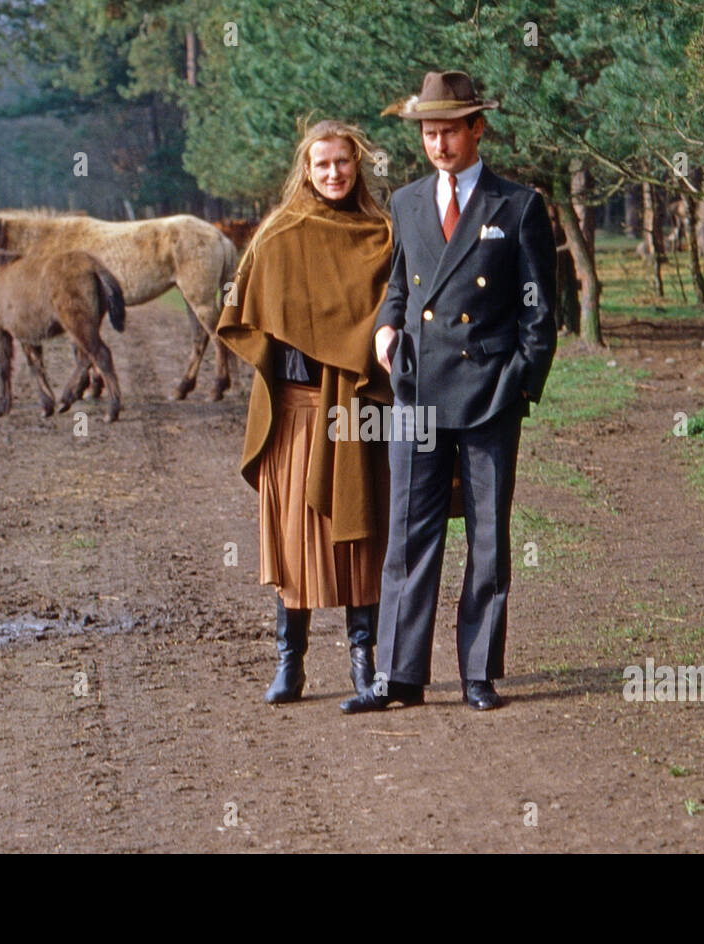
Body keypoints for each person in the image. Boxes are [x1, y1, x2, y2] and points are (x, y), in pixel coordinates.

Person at [340, 71, 557, 713]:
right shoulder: (406, 203)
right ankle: (399, 676)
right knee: (408, 533)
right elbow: (401, 290)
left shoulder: (515, 205)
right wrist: (385, 329)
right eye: (429, 132)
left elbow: (540, 310)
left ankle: (479, 673)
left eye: (449, 131)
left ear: (477, 129)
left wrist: (520, 382)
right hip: (417, 390)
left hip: (489, 394)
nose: (438, 144)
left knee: (488, 534)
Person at [217, 119, 394, 705]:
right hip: (294, 411)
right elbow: (244, 309)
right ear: (306, 169)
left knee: (359, 535)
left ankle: (364, 665)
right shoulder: (278, 234)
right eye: (322, 165)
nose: (333, 174)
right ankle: (290, 664)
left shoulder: (380, 235)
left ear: (357, 165)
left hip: (353, 409)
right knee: (293, 540)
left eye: (342, 162)